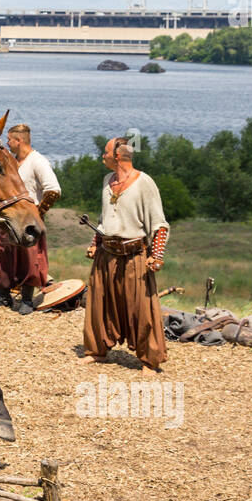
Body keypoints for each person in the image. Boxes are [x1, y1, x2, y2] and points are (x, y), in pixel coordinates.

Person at [79, 137, 170, 375]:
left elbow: (160, 224)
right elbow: (104, 220)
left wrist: (157, 255)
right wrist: (94, 243)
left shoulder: (144, 183)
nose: (102, 156)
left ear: (118, 156)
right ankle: (97, 350)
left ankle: (149, 359)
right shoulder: (106, 181)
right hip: (106, 253)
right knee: (99, 303)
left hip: (134, 255)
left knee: (141, 307)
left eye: (105, 153)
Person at [0, 123, 61, 314]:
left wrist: (38, 213)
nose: (7, 143)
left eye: (9, 140)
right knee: (5, 255)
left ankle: (27, 300)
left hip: (29, 220)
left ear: (19, 140)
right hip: (10, 219)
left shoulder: (37, 161)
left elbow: (53, 190)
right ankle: (4, 295)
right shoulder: (12, 162)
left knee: (30, 260)